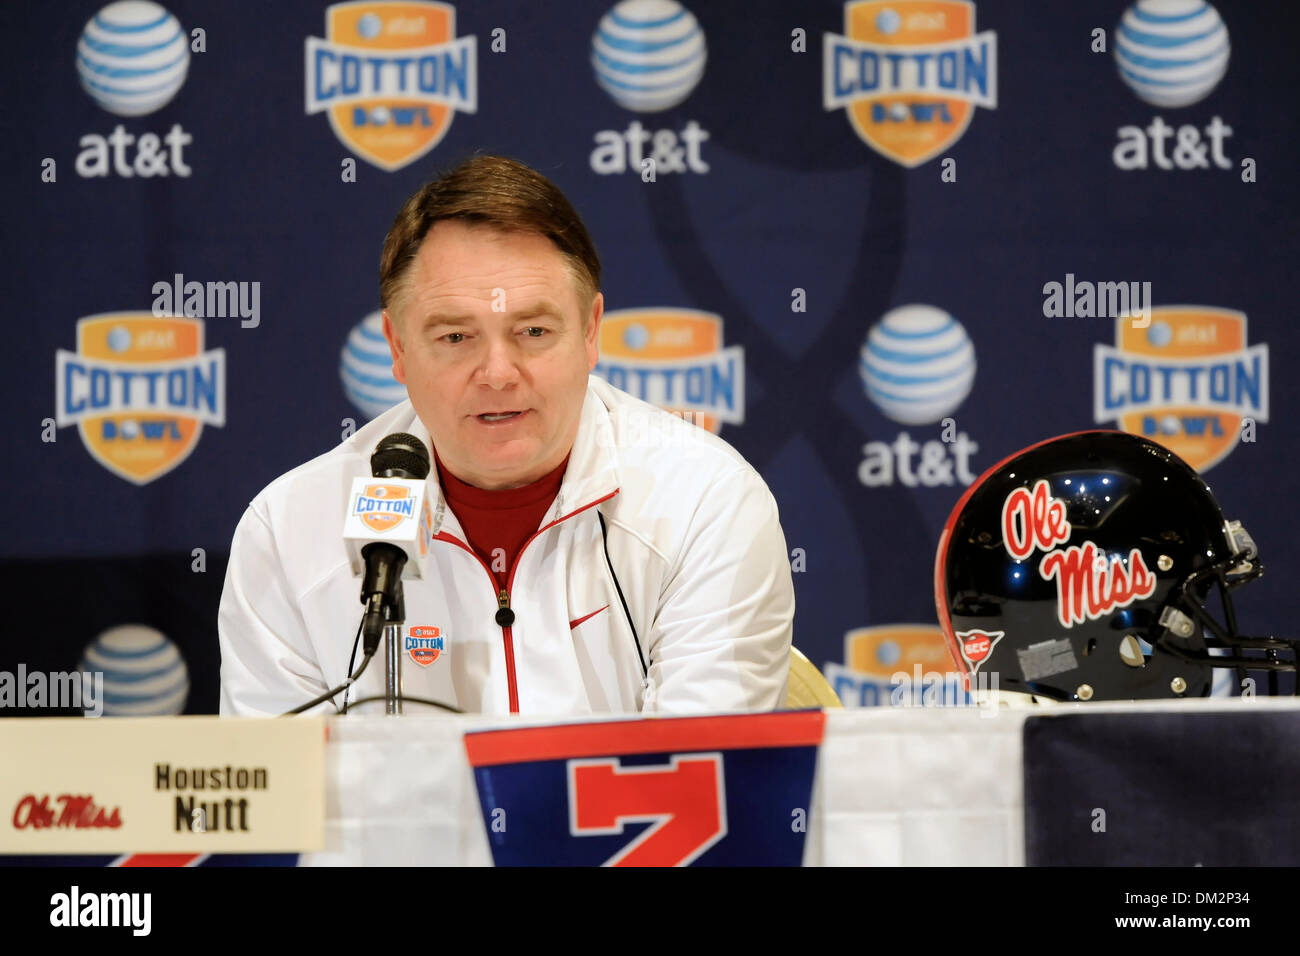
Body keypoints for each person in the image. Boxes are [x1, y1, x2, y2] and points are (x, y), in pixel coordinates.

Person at [218, 155, 794, 717]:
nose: (498, 373)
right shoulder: (289, 532)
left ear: (591, 332)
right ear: (397, 348)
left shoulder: (704, 502)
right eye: (455, 337)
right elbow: (277, 798)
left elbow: (700, 776)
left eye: (533, 331)